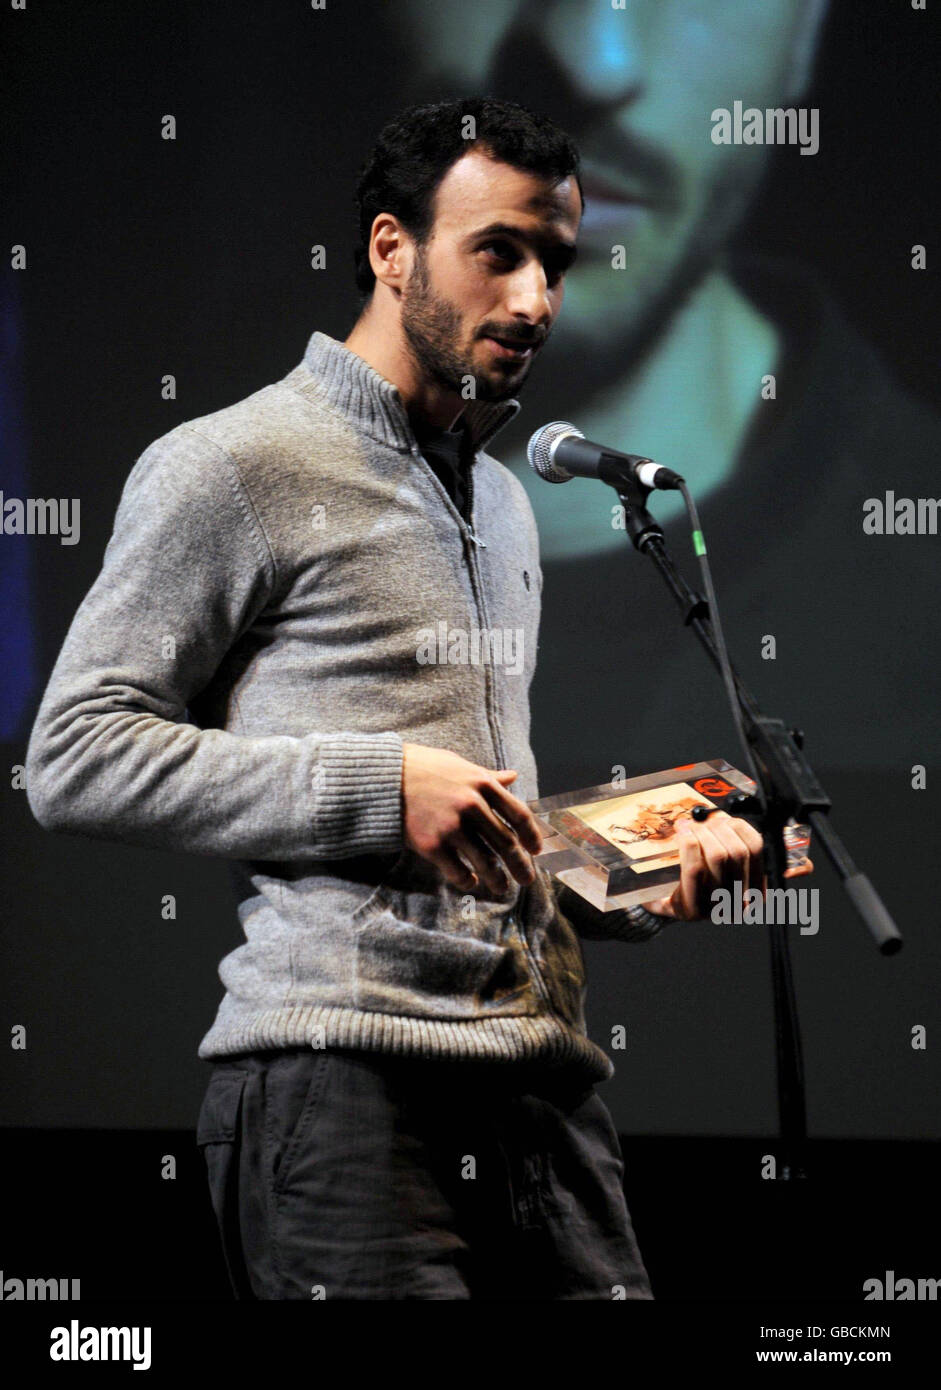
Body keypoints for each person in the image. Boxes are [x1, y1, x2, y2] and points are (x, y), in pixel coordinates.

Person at [25, 98, 770, 1301]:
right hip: (344, 1086)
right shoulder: (234, 464)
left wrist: (635, 872)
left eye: (554, 263)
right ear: (389, 248)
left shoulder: (507, 501)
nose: (535, 298)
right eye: (497, 252)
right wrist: (382, 790)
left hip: (542, 1087)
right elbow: (73, 754)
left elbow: (479, 836)